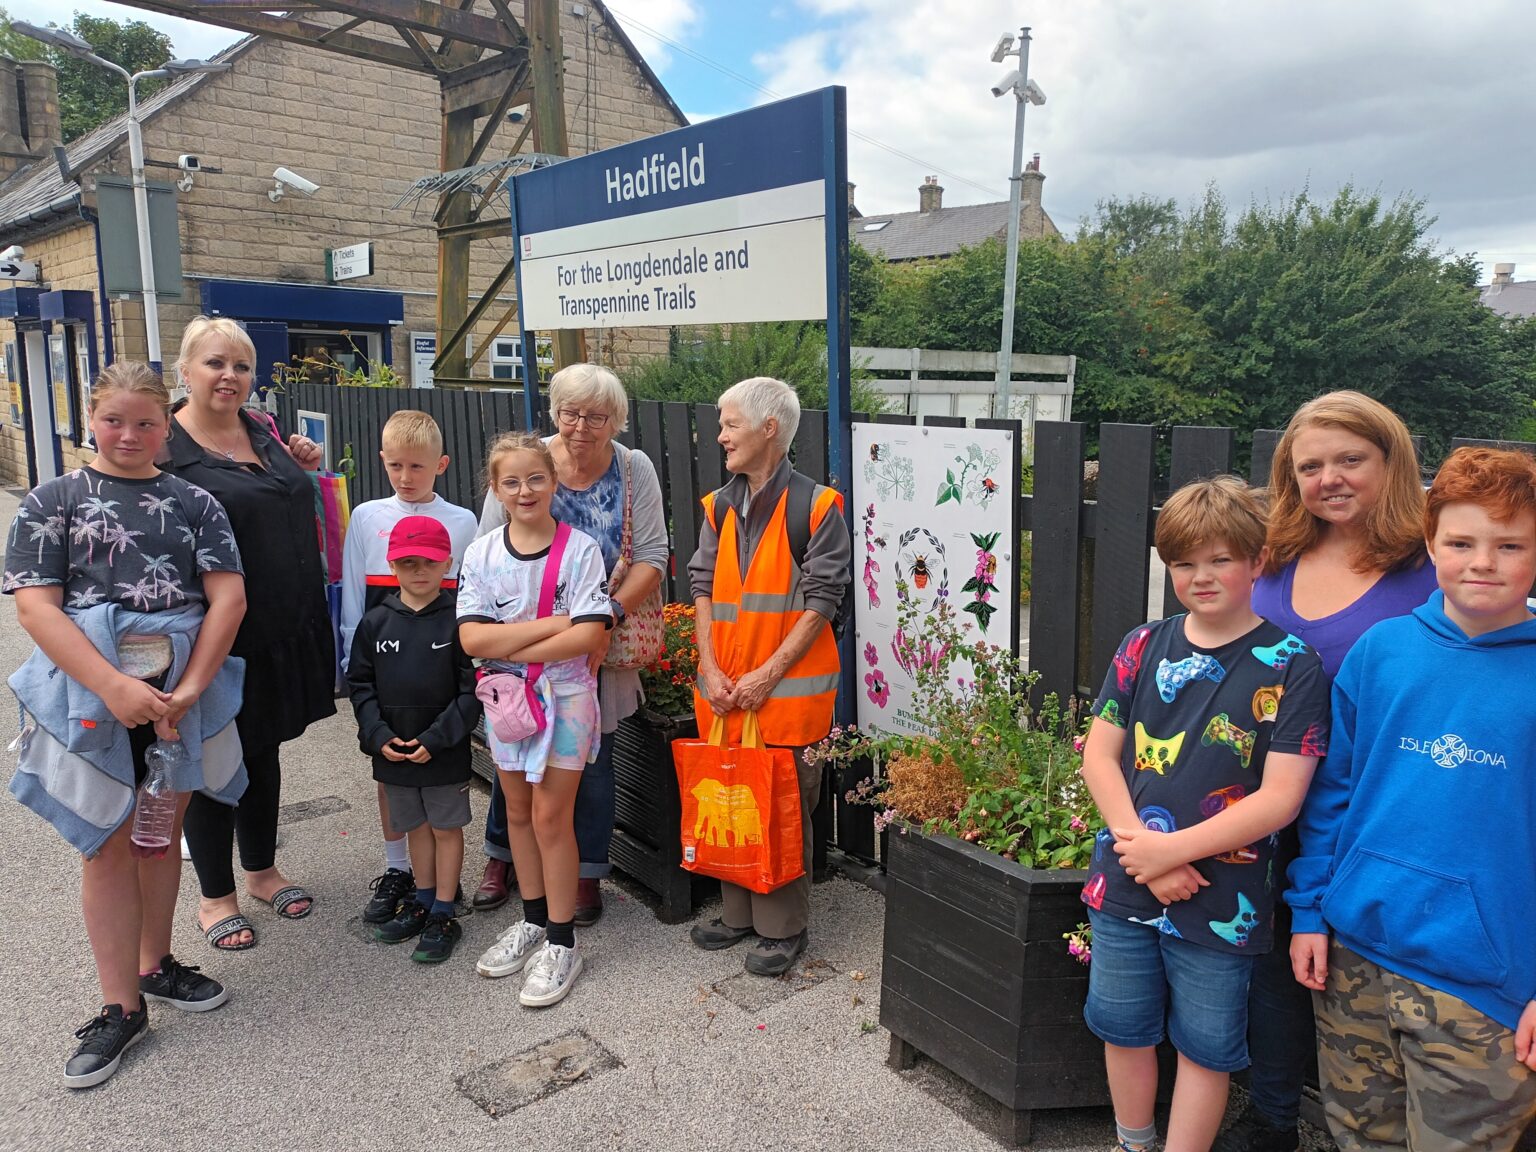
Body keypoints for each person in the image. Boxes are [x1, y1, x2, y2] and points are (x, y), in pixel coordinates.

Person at [4, 362, 247, 1087]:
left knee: (157, 830)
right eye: (116, 420)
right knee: (106, 840)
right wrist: (110, 686)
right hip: (90, 687)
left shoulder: (196, 502)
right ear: (91, 418)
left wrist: (190, 688)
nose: (132, 434)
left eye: (146, 422)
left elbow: (227, 597)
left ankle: (155, 962)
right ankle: (120, 1005)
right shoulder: (55, 501)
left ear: (165, 423)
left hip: (178, 692)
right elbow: (36, 606)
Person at [1288, 446, 1536, 1152]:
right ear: (1431, 546)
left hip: (1485, 990)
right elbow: (1331, 796)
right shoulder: (1381, 651)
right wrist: (1310, 910)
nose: (1482, 561)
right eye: (1460, 542)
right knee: (1357, 1137)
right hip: (1356, 958)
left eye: (1510, 545)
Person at [1079, 476, 1331, 1152]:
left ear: (1256, 560)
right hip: (1128, 880)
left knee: (1207, 1047)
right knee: (1122, 1026)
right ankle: (1133, 1142)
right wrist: (1147, 853)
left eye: (1221, 559)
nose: (1202, 576)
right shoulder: (1142, 645)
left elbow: (1281, 798)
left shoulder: (1293, 666)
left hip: (1226, 897)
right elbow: (1100, 759)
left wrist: (1174, 852)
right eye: (1185, 562)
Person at [1216, 390, 1437, 1152]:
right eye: (1310, 466)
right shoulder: (1272, 555)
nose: (1329, 478)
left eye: (1351, 460)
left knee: (1348, 964)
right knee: (1273, 961)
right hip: (1255, 798)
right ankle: (1275, 1118)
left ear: (1391, 462)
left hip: (1366, 803)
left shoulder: (1431, 567)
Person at [162, 316, 336, 951]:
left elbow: (287, 500)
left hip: (283, 629)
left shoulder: (261, 432)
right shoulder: (167, 452)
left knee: (263, 750)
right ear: (184, 371)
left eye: (240, 365)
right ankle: (215, 897)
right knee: (212, 762)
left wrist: (303, 467)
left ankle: (261, 870)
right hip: (217, 638)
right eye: (214, 363)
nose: (229, 376)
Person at [474, 364, 667, 924]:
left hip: (602, 630)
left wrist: (601, 623)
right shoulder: (528, 464)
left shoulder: (633, 469)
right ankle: (503, 857)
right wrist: (513, 642)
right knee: (514, 744)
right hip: (521, 639)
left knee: (592, 756)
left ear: (617, 420)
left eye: (598, 416)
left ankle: (585, 872)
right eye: (570, 413)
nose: (582, 426)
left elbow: (653, 554)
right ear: (554, 413)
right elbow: (488, 551)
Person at [686, 376, 851, 977]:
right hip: (728, 693)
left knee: (780, 810)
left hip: (782, 700)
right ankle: (738, 917)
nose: (721, 434)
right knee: (732, 801)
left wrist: (766, 675)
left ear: (769, 428)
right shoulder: (718, 506)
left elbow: (824, 602)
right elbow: (702, 590)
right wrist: (707, 666)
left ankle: (783, 930)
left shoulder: (819, 507)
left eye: (730, 423)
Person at [460, 433, 612, 1006]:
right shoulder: (481, 554)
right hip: (507, 700)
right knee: (516, 812)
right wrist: (553, 627)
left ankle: (562, 940)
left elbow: (593, 631)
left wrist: (510, 646)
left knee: (552, 816)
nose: (525, 491)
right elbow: (472, 636)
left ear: (553, 481)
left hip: (567, 698)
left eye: (536, 478)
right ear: (495, 490)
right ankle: (531, 919)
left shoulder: (580, 549)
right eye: (511, 481)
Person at [341, 410, 478, 926]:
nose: (405, 477)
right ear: (382, 460)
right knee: (391, 777)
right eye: (395, 465)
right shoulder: (367, 516)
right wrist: (350, 656)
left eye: (416, 466)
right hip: (385, 660)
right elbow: (356, 590)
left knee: (436, 785)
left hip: (440, 660)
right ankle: (399, 869)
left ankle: (438, 890)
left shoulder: (461, 522)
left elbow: (469, 594)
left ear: (440, 464)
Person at [347, 516, 481, 964]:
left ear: (448, 562)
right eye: (407, 562)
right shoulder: (375, 623)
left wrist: (439, 738)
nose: (419, 570)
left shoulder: (461, 620)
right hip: (395, 750)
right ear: (392, 564)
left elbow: (471, 691)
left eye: (429, 561)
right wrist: (377, 735)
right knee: (416, 829)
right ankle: (422, 899)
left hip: (442, 749)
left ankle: (445, 909)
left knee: (445, 827)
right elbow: (360, 685)